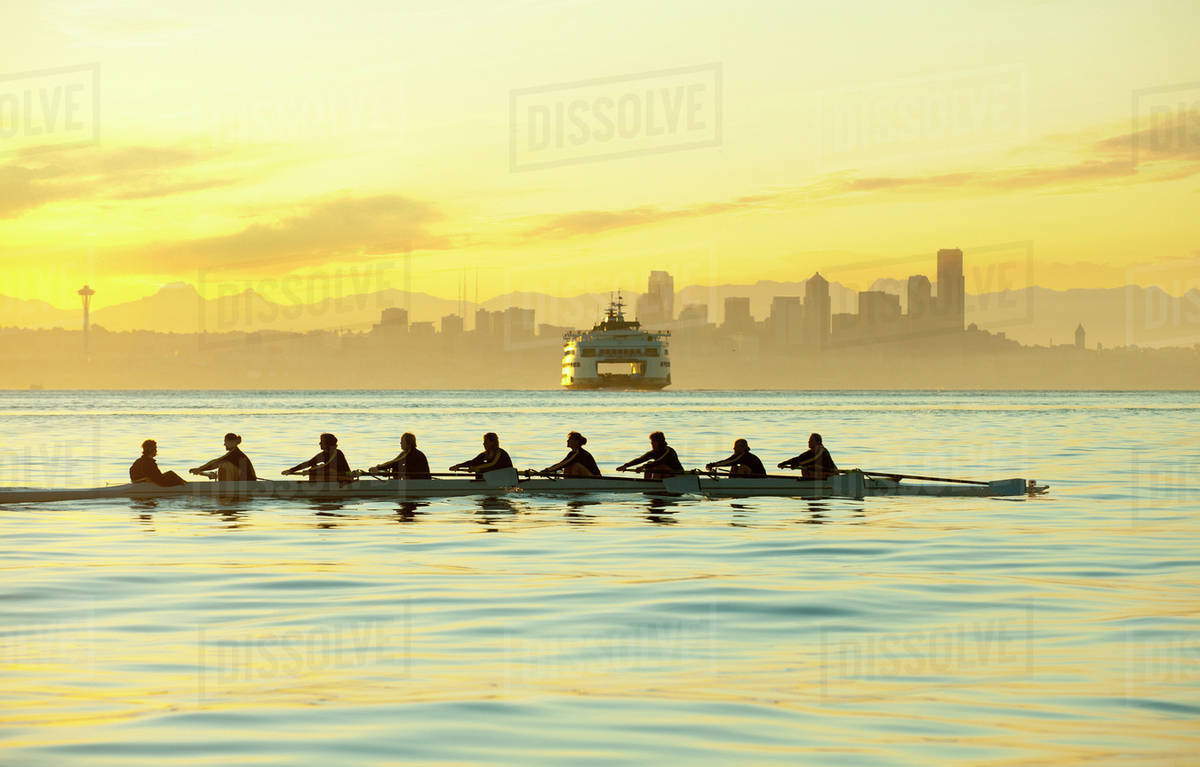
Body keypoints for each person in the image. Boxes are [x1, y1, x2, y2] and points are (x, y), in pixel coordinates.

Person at [282, 433, 353, 482]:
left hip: (344, 479)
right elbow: (309, 463)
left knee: (315, 470)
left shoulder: (338, 453)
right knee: (314, 469)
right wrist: (291, 470)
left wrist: (311, 471)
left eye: (322, 442)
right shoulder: (323, 454)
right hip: (332, 479)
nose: (319, 443)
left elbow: (330, 468)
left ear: (327, 444)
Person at [616, 431, 684, 479]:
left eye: (653, 442)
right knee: (649, 464)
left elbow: (659, 462)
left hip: (677, 475)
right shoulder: (654, 452)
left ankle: (655, 484)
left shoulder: (668, 451)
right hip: (665, 475)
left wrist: (642, 467)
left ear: (659, 442)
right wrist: (625, 465)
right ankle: (647, 483)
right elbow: (640, 459)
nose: (651, 443)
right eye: (651, 442)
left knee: (658, 466)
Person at [190, 433, 257, 481]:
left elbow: (215, 462)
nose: (224, 444)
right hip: (245, 480)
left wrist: (199, 469)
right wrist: (200, 469)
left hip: (247, 481)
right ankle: (217, 479)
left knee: (223, 464)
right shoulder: (234, 452)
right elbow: (215, 462)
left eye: (225, 442)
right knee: (223, 464)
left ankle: (222, 485)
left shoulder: (234, 453)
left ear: (232, 442)